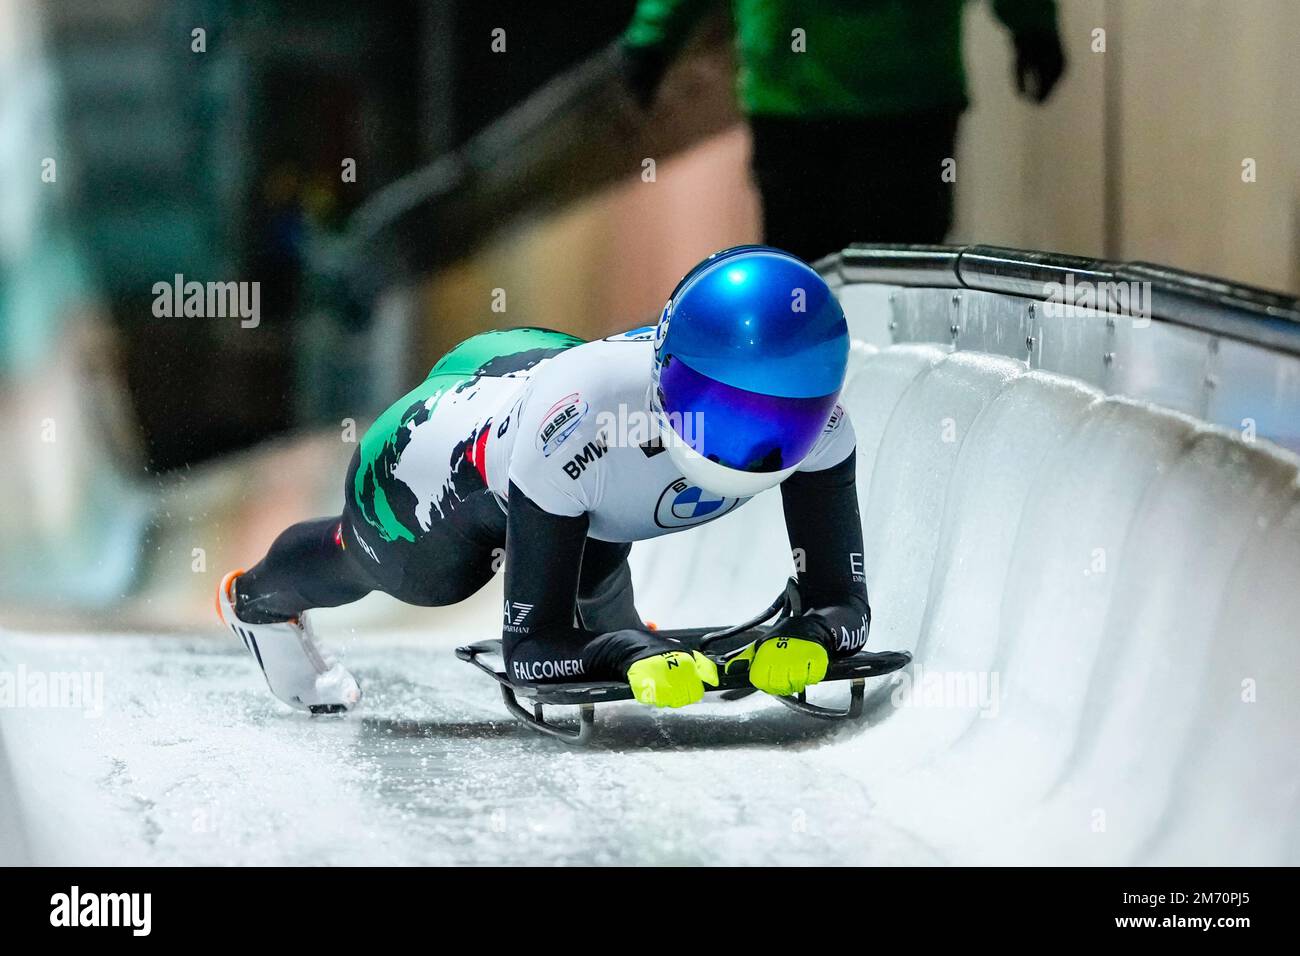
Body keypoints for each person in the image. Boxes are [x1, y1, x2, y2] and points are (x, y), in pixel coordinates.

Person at [216, 246, 870, 713]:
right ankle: (258, 602)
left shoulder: (826, 427)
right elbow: (531, 651)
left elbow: (843, 605)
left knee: (601, 556)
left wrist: (812, 635)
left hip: (553, 393)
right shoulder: (583, 425)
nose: (752, 442)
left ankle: (618, 613)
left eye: (784, 418)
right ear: (667, 378)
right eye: (723, 411)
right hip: (437, 458)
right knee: (417, 575)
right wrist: (626, 651)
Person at [619, 0, 1066, 259]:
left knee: (807, 278)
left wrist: (651, 41)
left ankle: (817, 409)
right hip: (907, 94)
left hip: (798, 99)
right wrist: (1032, 27)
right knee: (901, 276)